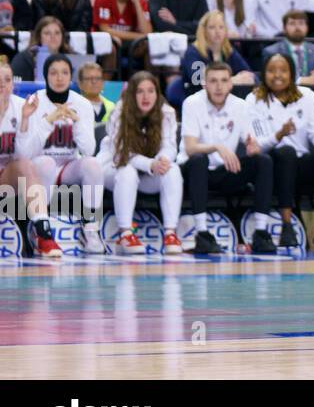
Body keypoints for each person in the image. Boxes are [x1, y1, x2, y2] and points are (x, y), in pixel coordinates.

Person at [248, 53, 314, 250]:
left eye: (283, 71)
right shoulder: (254, 99)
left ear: (292, 74)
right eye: (272, 71)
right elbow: (257, 146)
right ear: (264, 74)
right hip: (273, 168)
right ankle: (287, 226)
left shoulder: (307, 96)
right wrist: (279, 135)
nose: (277, 75)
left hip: (302, 166)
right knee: (286, 152)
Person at [179, 61, 276, 255]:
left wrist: (252, 148)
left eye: (224, 81)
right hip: (194, 172)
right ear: (205, 84)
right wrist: (216, 147)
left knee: (263, 161)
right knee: (199, 159)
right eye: (213, 81)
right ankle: (202, 234)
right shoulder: (192, 103)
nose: (219, 86)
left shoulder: (240, 106)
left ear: (231, 84)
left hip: (225, 171)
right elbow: (190, 148)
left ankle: (260, 232)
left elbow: (251, 142)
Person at [16, 55, 106, 254]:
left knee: (93, 165)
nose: (59, 78)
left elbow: (89, 150)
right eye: (53, 72)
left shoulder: (82, 104)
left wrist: (76, 123)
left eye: (64, 72)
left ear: (71, 76)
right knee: (46, 162)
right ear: (45, 76)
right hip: (39, 164)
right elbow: (28, 151)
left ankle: (91, 229)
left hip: (67, 167)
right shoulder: (34, 101)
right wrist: (49, 121)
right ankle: (40, 227)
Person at [97, 72, 183, 255]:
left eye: (151, 91)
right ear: (132, 94)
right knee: (127, 171)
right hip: (112, 168)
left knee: (173, 170)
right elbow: (121, 153)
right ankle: (125, 233)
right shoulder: (119, 112)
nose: (146, 97)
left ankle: (170, 233)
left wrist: (162, 160)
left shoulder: (166, 112)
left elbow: (170, 146)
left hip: (148, 171)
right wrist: (150, 164)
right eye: (140, 91)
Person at [0, 59, 63, 259]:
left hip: (5, 178)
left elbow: (24, 155)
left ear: (13, 84)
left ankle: (43, 233)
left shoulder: (22, 107)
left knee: (28, 164)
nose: (2, 84)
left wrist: (25, 121)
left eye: (7, 79)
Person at [178, 11, 255, 101]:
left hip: (227, 99)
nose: (217, 31)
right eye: (212, 27)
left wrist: (242, 79)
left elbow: (250, 76)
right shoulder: (193, 52)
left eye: (221, 27)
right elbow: (199, 81)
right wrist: (233, 80)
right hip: (198, 99)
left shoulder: (228, 51)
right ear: (204, 31)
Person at [262, 10, 314, 84]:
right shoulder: (272, 52)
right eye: (292, 23)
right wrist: (301, 80)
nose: (297, 27)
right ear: (284, 28)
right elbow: (267, 79)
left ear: (307, 27)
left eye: (301, 23)